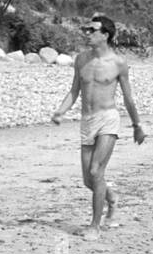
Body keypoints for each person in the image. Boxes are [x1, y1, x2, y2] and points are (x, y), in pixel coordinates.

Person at [51, 14, 147, 239]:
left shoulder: (118, 63)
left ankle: (94, 226)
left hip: (108, 119)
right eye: (86, 30)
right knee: (88, 180)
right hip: (87, 121)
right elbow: (75, 91)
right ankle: (111, 198)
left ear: (105, 35)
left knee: (96, 171)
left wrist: (137, 125)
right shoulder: (81, 59)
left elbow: (128, 98)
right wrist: (61, 111)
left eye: (92, 30)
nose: (87, 34)